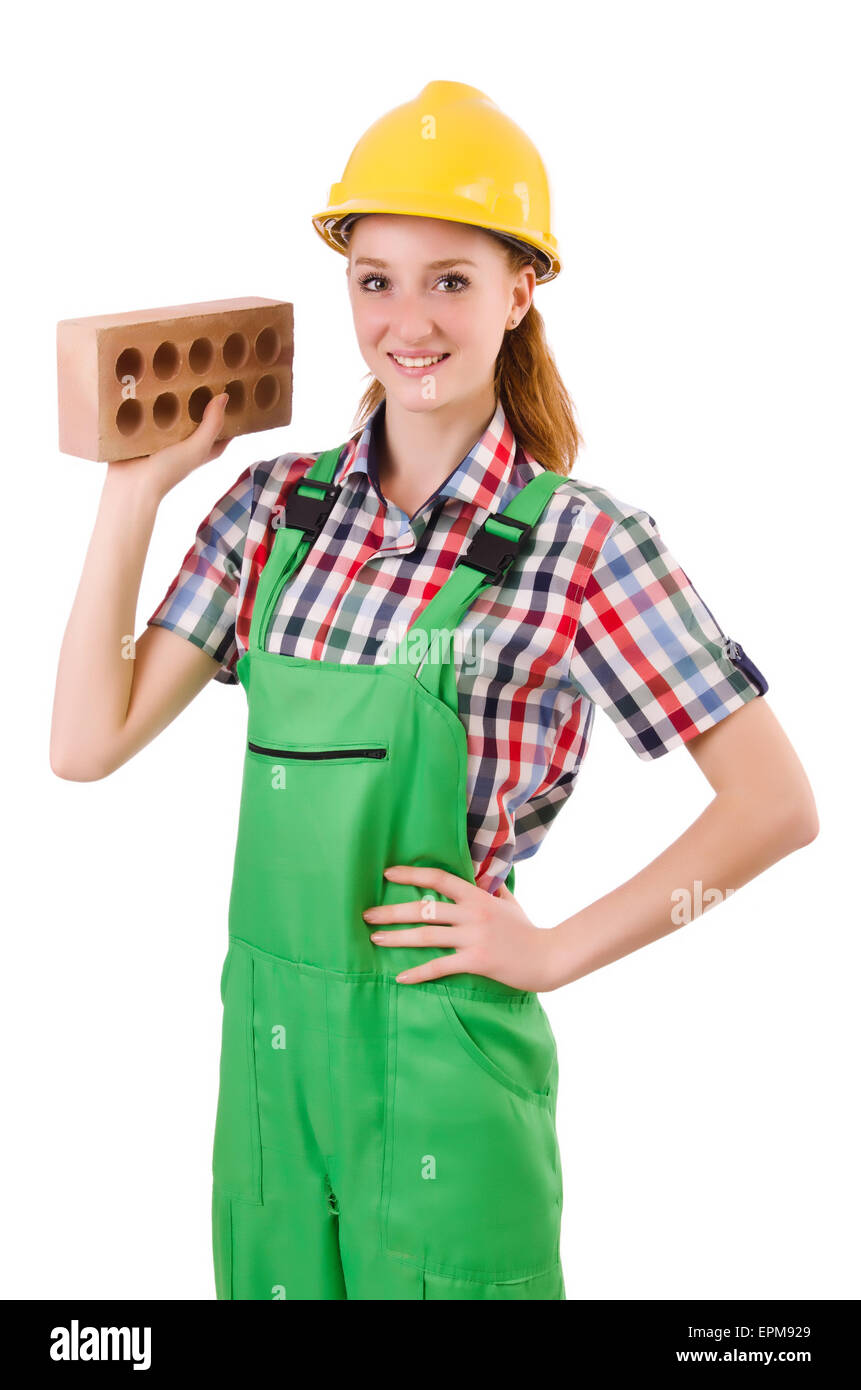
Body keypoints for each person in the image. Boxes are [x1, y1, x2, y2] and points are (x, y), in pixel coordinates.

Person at [50, 81, 818, 1301]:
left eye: (451, 279)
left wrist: (557, 950)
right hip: (271, 1067)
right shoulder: (270, 516)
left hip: (449, 1062)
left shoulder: (585, 545)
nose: (408, 319)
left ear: (523, 291)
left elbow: (776, 806)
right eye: (376, 279)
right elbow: (85, 743)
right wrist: (133, 492)